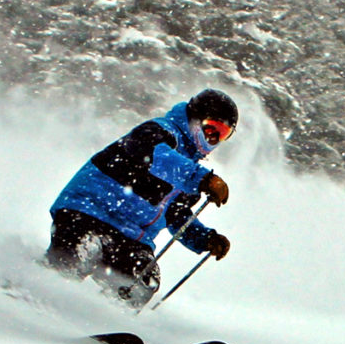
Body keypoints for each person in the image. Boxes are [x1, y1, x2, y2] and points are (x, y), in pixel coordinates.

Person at [45, 88, 237, 305]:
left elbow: (175, 215)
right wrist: (201, 179)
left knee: (143, 280)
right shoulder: (160, 132)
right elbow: (155, 157)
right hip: (89, 212)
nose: (213, 138)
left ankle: (105, 318)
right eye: (211, 127)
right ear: (195, 118)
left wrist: (204, 239)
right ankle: (38, 291)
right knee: (79, 254)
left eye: (222, 134)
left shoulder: (190, 170)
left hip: (129, 237)